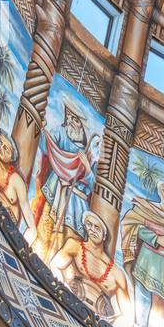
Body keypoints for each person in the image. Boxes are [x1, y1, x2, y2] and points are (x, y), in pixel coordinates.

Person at [118, 179, 164, 327]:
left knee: (161, 304)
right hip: (144, 265)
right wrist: (156, 238)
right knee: (141, 297)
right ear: (161, 193)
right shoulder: (147, 209)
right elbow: (133, 226)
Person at [32, 99, 98, 261]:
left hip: (75, 204)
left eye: (75, 119)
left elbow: (94, 187)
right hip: (56, 192)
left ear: (82, 126)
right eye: (69, 117)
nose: (70, 121)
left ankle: (56, 266)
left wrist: (87, 168)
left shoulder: (89, 153)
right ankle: (36, 257)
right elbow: (46, 147)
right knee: (45, 229)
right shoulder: (60, 135)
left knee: (68, 240)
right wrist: (41, 128)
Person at [50, 211, 134, 327]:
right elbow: (54, 265)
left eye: (97, 227)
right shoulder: (75, 246)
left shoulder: (117, 273)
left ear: (104, 236)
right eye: (89, 225)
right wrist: (64, 292)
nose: (92, 230)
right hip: (66, 307)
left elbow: (128, 317)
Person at [0, 130, 36, 236]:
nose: (0, 148)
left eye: (6, 148)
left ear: (12, 157)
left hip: (7, 225)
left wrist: (23, 246)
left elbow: (32, 228)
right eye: (1, 143)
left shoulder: (17, 181)